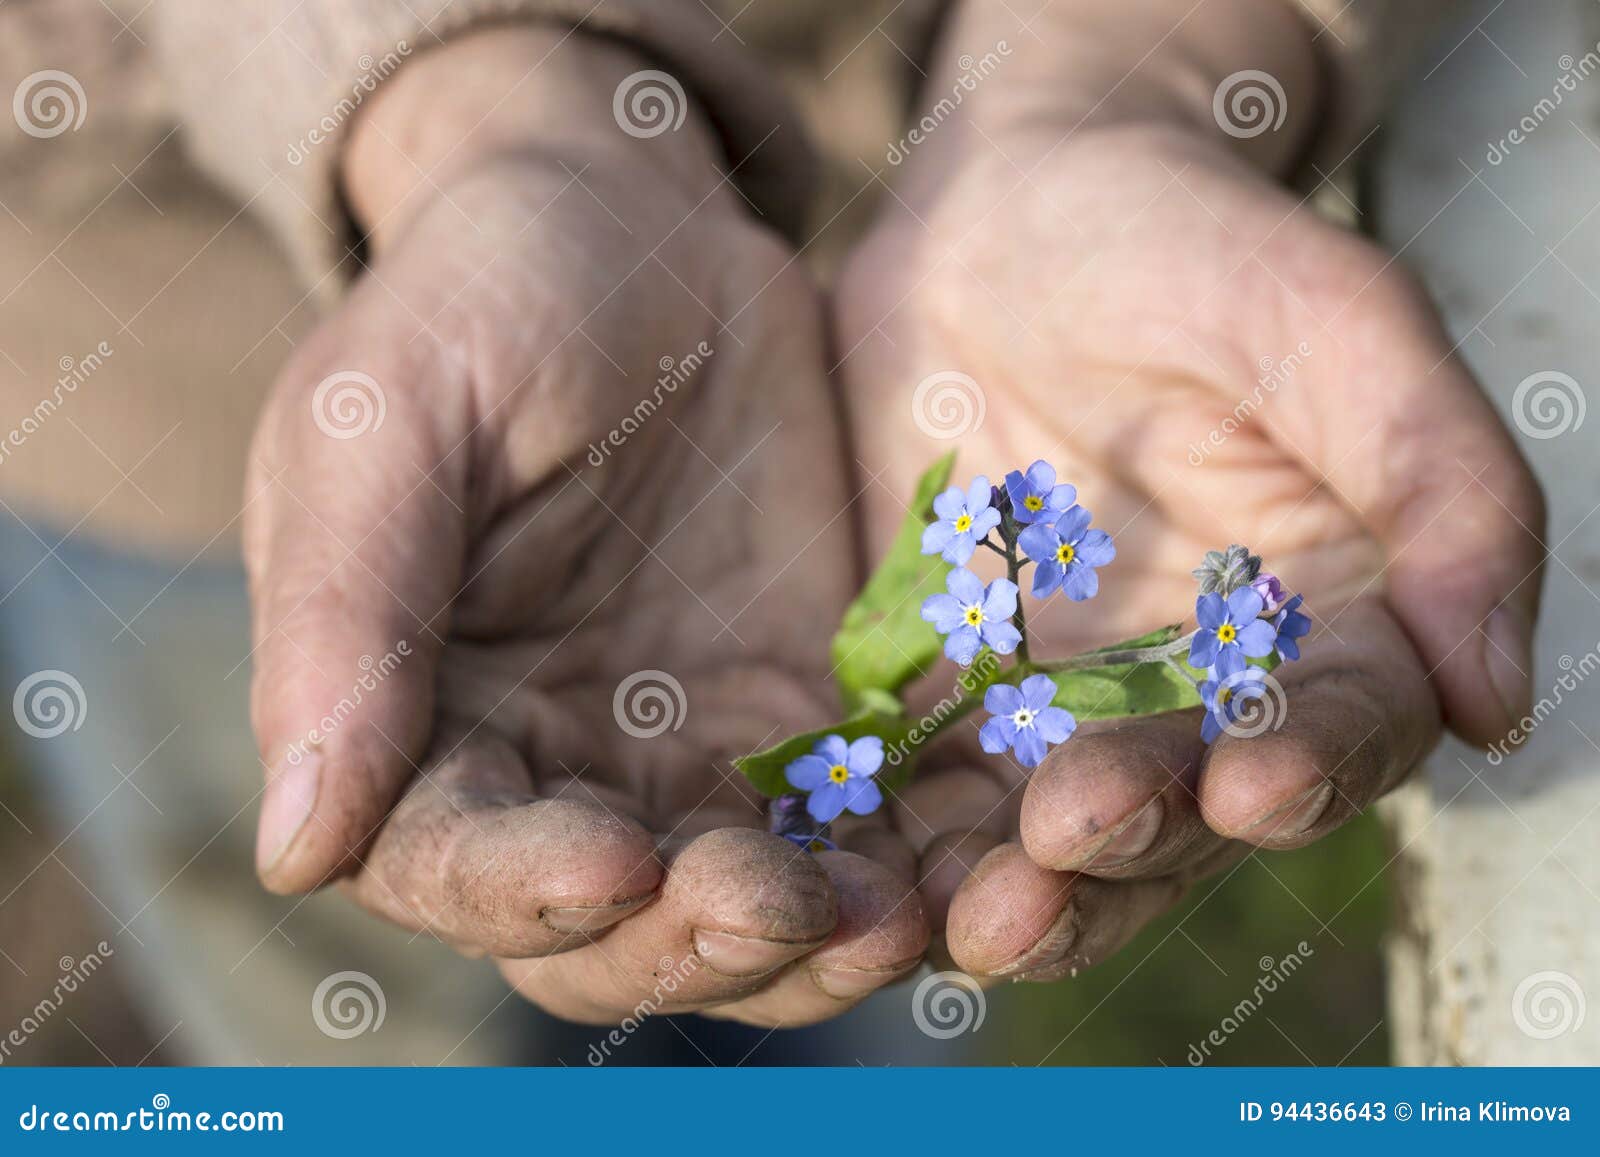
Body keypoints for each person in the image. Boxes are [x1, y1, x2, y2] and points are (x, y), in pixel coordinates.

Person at [0, 0, 1541, 1057]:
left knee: (857, 942)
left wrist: (1129, 60)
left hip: (964, 182)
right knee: (350, 989)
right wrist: (468, 107)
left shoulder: (1000, 646)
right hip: (190, 359)